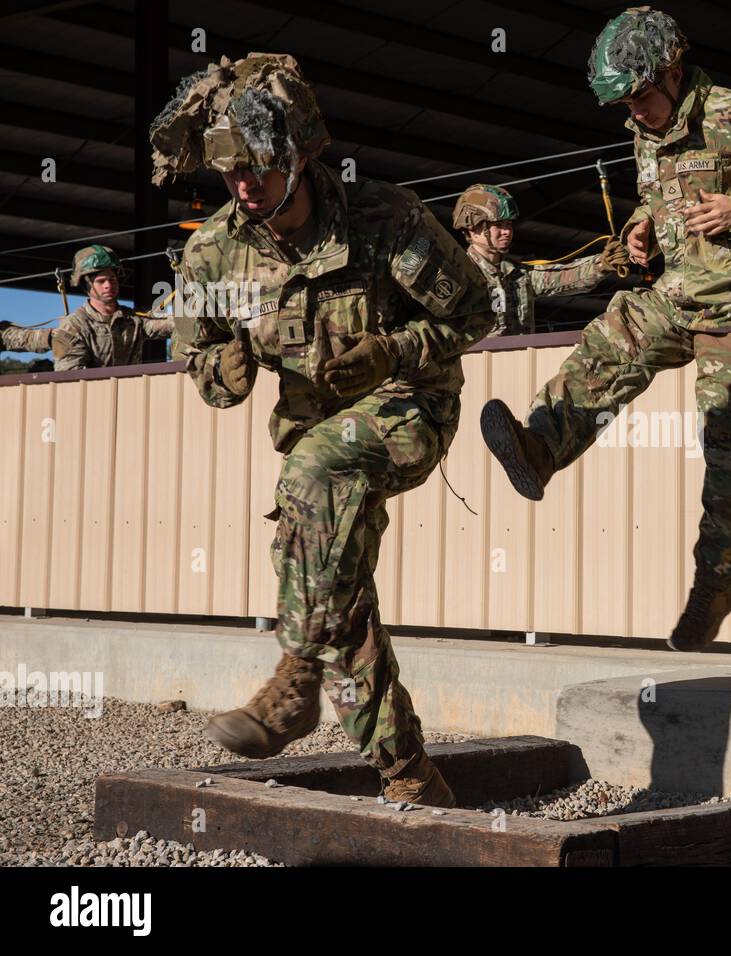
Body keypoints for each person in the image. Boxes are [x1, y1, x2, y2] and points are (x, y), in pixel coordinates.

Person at [151, 53, 493, 807]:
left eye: (260, 171)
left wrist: (394, 349)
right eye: (232, 174)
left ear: (301, 159)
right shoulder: (213, 253)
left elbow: (475, 312)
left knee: (310, 477)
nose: (245, 188)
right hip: (315, 437)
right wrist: (223, 372)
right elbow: (199, 358)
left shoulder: (384, 218)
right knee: (338, 599)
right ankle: (411, 779)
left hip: (410, 406)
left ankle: (292, 680)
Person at [478, 7, 731, 651]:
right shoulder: (647, 128)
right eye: (626, 105)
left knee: (730, 451)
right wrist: (643, 225)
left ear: (671, 74)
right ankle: (541, 447)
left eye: (640, 97)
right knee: (608, 341)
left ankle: (715, 589)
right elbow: (662, 192)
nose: (635, 113)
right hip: (679, 293)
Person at [453, 183, 629, 335]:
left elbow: (563, 276)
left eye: (509, 225)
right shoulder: (459, 275)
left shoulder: (518, 275)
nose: (507, 231)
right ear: (472, 228)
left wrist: (603, 264)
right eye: (498, 225)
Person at [50, 246, 172, 370]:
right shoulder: (73, 327)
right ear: (86, 285)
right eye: (101, 281)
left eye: (112, 279)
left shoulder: (133, 319)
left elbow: (168, 325)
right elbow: (69, 378)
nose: (108, 285)